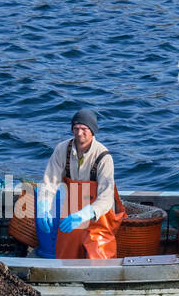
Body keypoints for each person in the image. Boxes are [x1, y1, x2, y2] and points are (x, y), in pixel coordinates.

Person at [35, 107, 125, 259]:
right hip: (72, 208)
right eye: (75, 128)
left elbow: (106, 198)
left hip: (98, 215)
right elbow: (50, 182)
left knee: (98, 251)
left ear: (92, 131)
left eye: (84, 129)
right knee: (65, 247)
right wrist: (43, 206)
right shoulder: (62, 149)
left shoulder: (104, 156)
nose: (79, 133)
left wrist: (86, 214)